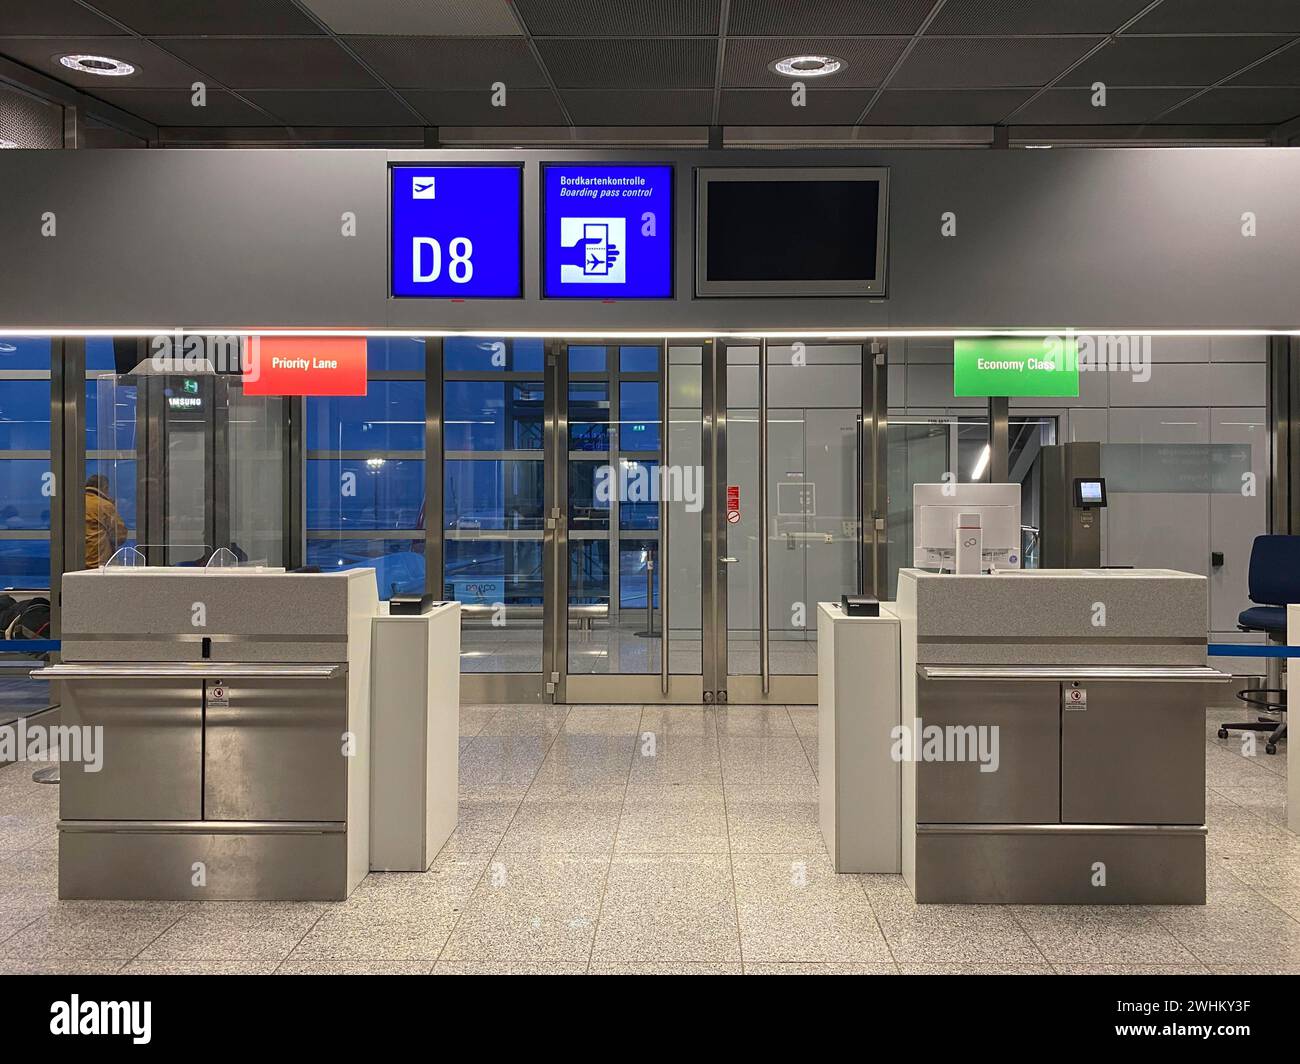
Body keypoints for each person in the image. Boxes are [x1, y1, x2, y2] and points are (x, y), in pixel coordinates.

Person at [84, 475, 127, 567]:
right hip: (98, 563)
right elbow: (120, 536)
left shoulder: (74, 502)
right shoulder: (104, 505)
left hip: (75, 562)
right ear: (105, 488)